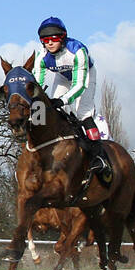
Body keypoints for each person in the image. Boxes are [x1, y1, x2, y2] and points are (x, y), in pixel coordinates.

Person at [32, 16, 109, 177]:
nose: (50, 43)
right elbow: (36, 85)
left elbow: (79, 86)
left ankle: (100, 157)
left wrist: (63, 100)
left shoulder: (78, 50)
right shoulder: (42, 56)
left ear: (63, 37)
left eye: (54, 38)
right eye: (45, 40)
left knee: (83, 112)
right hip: (62, 76)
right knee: (50, 111)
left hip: (84, 76)